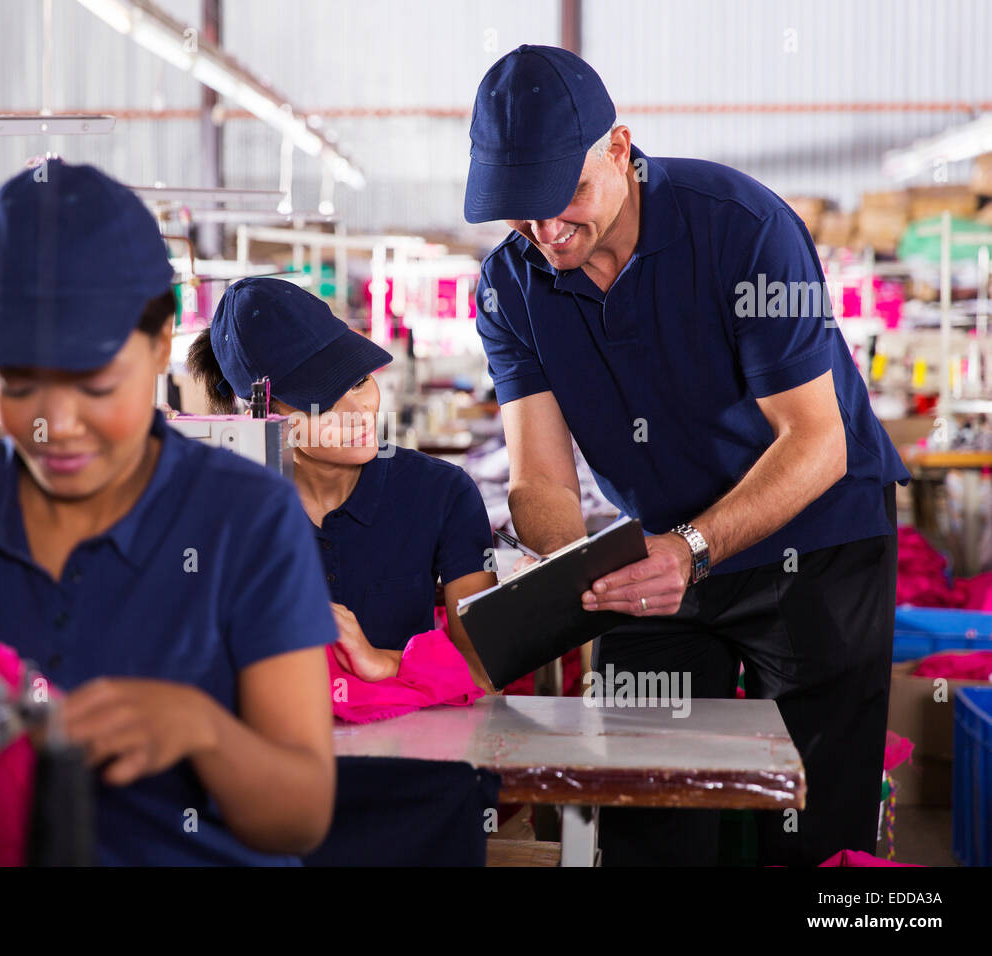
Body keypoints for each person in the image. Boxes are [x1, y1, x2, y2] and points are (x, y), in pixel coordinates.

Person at [464, 45, 908, 866]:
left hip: (817, 540)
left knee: (811, 817)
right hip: (660, 550)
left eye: (567, 195)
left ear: (621, 149)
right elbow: (539, 473)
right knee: (643, 793)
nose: (546, 229)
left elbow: (817, 443)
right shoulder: (509, 285)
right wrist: (565, 574)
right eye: (519, 210)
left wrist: (694, 550)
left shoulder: (746, 228)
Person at [0, 160, 337, 866]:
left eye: (95, 385)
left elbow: (301, 816)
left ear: (162, 347)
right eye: (20, 383)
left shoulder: (246, 520)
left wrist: (206, 730)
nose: (55, 424)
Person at [186, 276, 497, 688]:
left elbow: (487, 671)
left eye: (358, 381)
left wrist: (384, 663)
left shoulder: (442, 494)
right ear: (261, 415)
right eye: (323, 402)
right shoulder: (224, 511)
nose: (358, 412)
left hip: (413, 743)